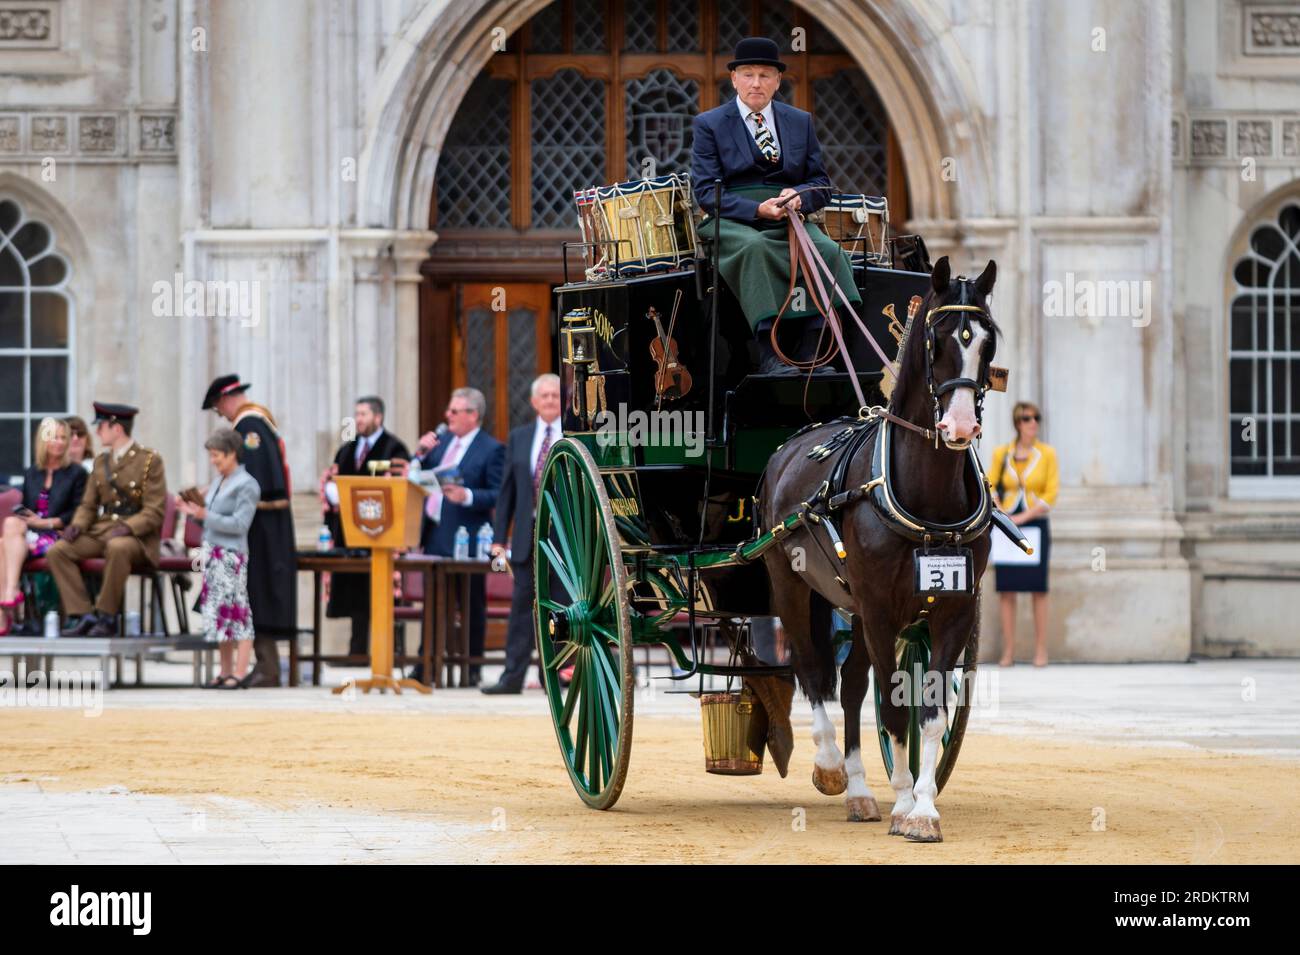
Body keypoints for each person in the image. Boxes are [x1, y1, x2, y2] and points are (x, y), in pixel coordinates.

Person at [690, 36, 861, 375]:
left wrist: (800, 197)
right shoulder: (709, 124)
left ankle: (813, 351)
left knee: (830, 253)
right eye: (748, 74)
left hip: (789, 216)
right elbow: (707, 192)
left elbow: (820, 183)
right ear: (734, 78)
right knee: (755, 249)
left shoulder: (801, 121)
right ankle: (770, 354)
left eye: (766, 75)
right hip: (734, 219)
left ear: (778, 81)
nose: (757, 83)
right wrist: (757, 210)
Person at [202, 374, 297, 688]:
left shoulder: (249, 429)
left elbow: (252, 485)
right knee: (255, 593)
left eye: (220, 408)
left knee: (256, 592)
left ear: (228, 399)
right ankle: (264, 665)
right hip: (264, 525)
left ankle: (267, 667)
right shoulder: (257, 424)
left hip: (260, 528)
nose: (222, 414)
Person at [46, 403, 167, 637]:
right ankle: (83, 614)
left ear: (117, 428)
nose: (98, 432)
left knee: (117, 547)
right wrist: (77, 526)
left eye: (101, 426)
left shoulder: (149, 461)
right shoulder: (101, 462)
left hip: (137, 536)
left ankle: (107, 616)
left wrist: (129, 527)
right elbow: (88, 505)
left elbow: (155, 510)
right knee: (58, 551)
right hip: (105, 529)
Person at [409, 387, 504, 685]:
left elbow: (499, 493)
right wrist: (420, 454)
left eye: (454, 411)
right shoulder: (442, 443)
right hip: (436, 532)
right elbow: (418, 477)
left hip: (469, 537)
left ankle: (472, 665)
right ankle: (426, 664)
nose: (447, 416)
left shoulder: (491, 449)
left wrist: (467, 495)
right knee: (435, 601)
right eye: (449, 410)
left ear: (473, 415)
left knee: (471, 602)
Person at [482, 374, 560, 694]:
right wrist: (499, 539)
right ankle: (511, 677)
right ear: (533, 401)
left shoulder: (574, 435)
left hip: (566, 535)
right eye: (545, 396)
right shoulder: (520, 437)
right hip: (528, 536)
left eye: (556, 395)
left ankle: (555, 676)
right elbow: (507, 494)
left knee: (562, 606)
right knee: (522, 608)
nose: (551, 401)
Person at [321, 396, 411, 656]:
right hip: (350, 536)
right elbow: (334, 478)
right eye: (356, 414)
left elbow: (398, 486)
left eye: (363, 415)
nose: (358, 420)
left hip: (381, 537)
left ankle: (388, 654)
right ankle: (357, 651)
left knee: (380, 595)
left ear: (378, 417)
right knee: (354, 595)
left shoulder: (393, 448)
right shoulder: (347, 449)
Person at [176, 428, 260, 688]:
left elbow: (240, 524)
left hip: (231, 554)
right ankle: (225, 671)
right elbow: (209, 520)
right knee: (220, 615)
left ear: (232, 453)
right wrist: (191, 511)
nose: (213, 461)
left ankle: (241, 669)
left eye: (217, 456)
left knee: (238, 612)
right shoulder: (217, 483)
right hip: (212, 553)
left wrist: (204, 515)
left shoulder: (247, 484)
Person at [987, 401, 1059, 667]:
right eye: (1028, 419)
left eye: (1037, 418)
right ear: (1018, 423)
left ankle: (1041, 650)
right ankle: (1009, 651)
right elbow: (990, 483)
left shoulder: (1047, 454)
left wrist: (1022, 517)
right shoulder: (1001, 453)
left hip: (1035, 523)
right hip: (1007, 526)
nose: (1034, 423)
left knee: (1038, 589)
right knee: (1007, 590)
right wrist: (1003, 512)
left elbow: (1051, 493)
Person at [0, 418, 87, 635]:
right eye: (54, 437)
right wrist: (29, 519)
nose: (59, 442)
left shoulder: (76, 473)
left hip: (58, 534)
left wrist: (45, 522)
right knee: (9, 528)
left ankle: (7, 606)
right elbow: (28, 508)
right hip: (33, 534)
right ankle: (10, 595)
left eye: (63, 437)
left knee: (3, 544)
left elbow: (77, 512)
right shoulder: (32, 473)